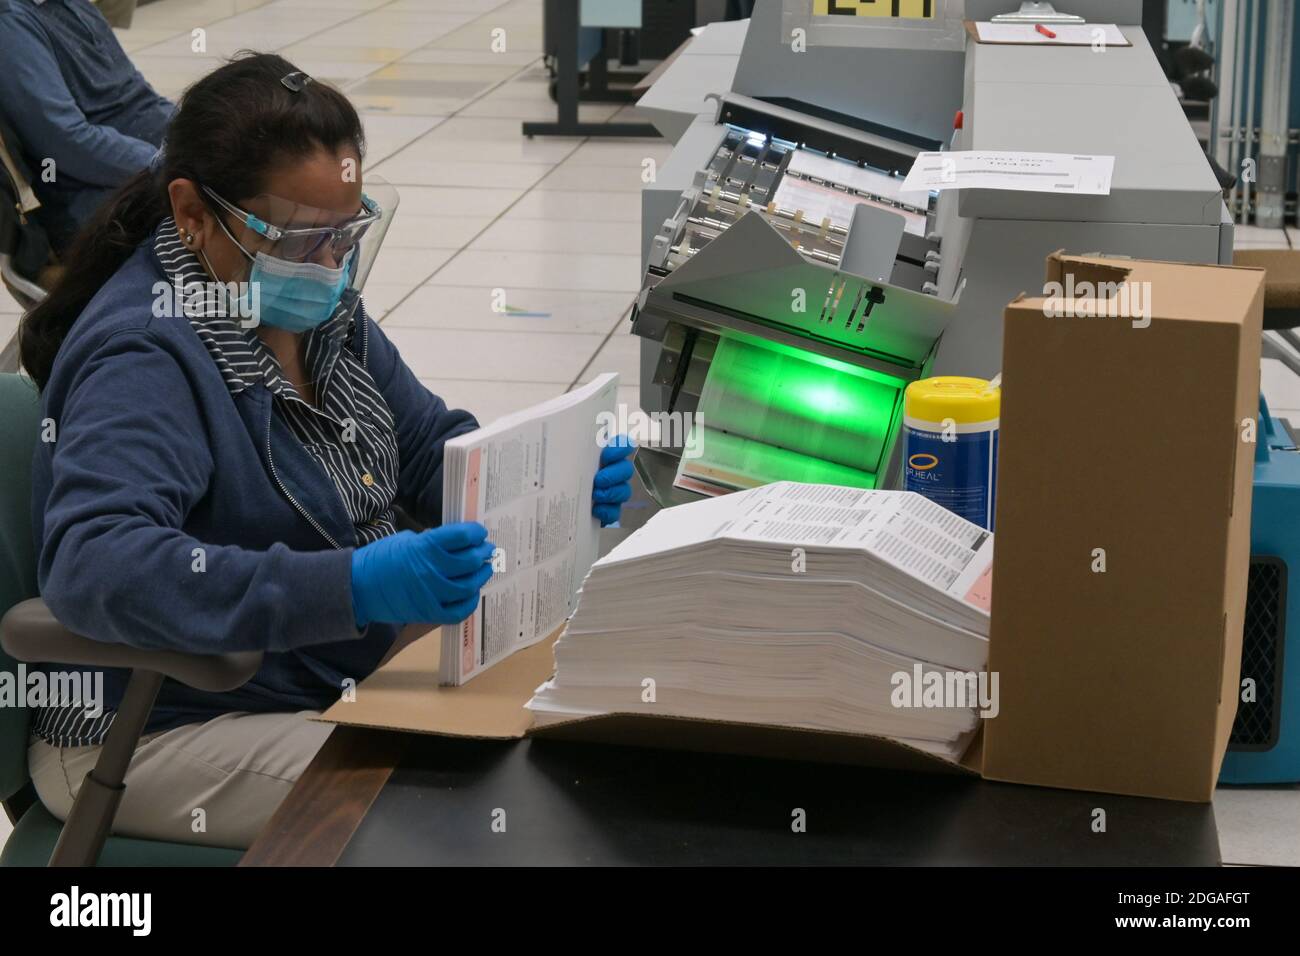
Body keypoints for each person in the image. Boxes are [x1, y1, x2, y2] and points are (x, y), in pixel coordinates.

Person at [18, 52, 634, 850]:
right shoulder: (146, 353)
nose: (332, 264)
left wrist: (549, 480)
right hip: (161, 722)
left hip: (323, 673)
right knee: (462, 813)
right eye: (303, 237)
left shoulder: (311, 303)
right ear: (193, 212)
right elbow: (96, 564)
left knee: (574, 744)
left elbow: (424, 447)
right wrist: (349, 585)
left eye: (347, 232)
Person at [0, 0, 175, 253]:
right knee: (228, 199)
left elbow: (137, 92)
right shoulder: (11, 26)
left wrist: (193, 127)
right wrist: (166, 162)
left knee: (240, 151)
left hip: (144, 162)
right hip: (95, 195)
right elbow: (67, 143)